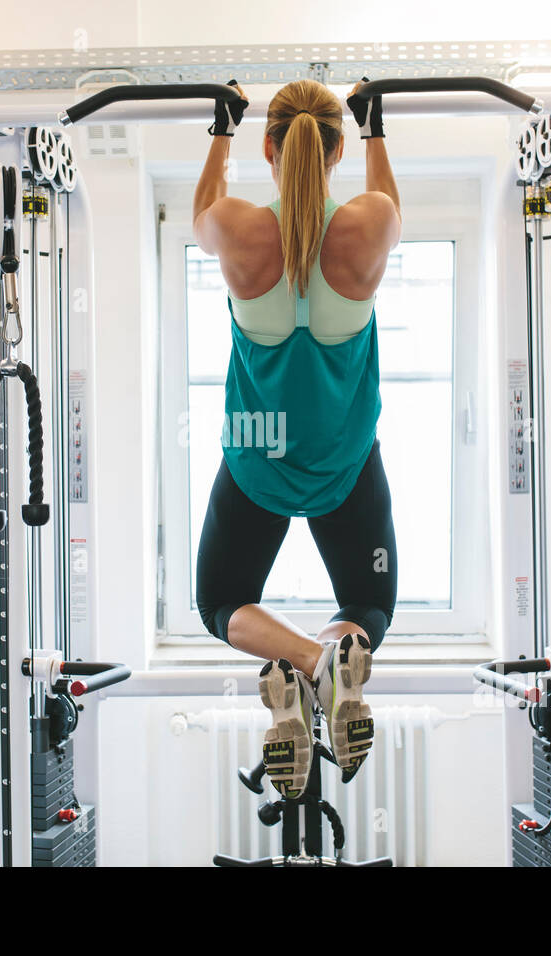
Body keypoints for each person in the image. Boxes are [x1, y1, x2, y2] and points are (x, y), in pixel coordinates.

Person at [191, 78, 401, 798]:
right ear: (337, 147)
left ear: (269, 148)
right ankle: (330, 660)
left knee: (220, 601)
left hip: (257, 460)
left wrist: (221, 131)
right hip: (345, 461)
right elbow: (389, 204)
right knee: (371, 610)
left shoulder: (238, 227)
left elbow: (201, 212)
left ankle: (307, 665)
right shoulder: (370, 226)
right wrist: (377, 133)